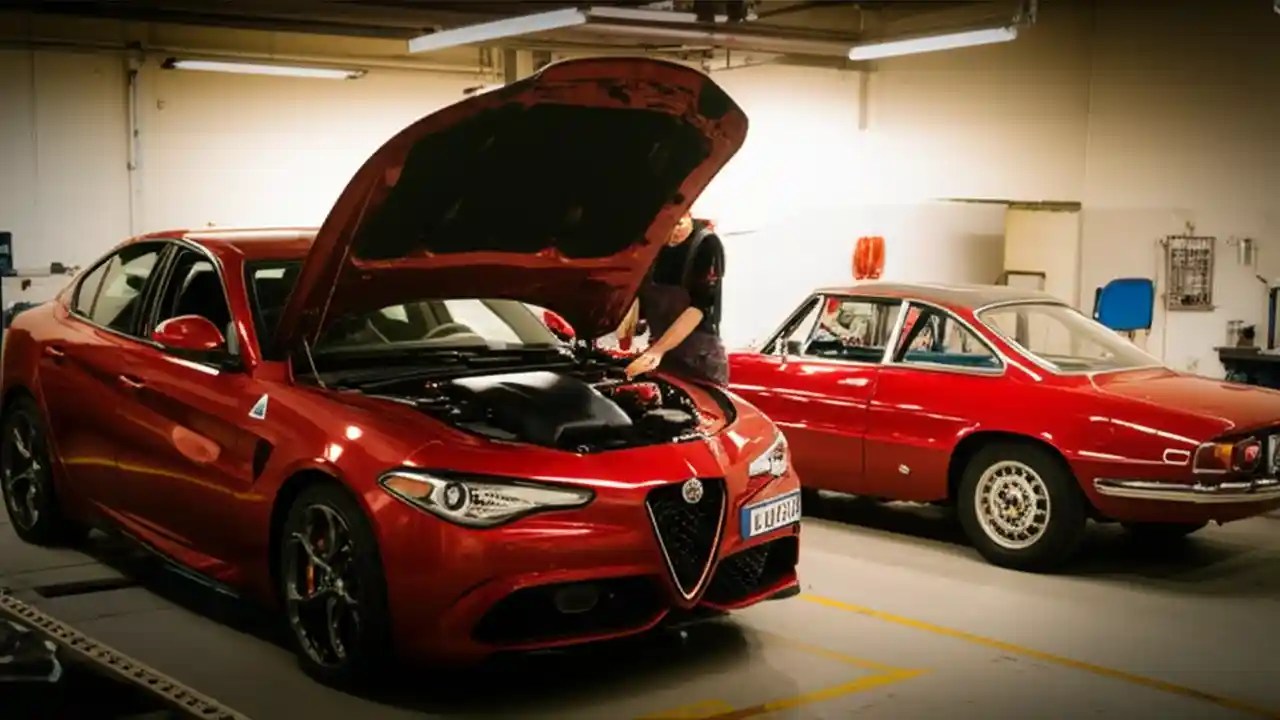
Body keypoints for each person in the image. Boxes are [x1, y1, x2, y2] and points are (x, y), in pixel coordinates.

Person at [621, 211, 728, 385]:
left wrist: (657, 351)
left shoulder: (707, 244)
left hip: (700, 358)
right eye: (666, 228)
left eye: (678, 224)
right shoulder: (654, 245)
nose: (672, 233)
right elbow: (639, 293)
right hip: (663, 354)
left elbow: (698, 308)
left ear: (688, 214)